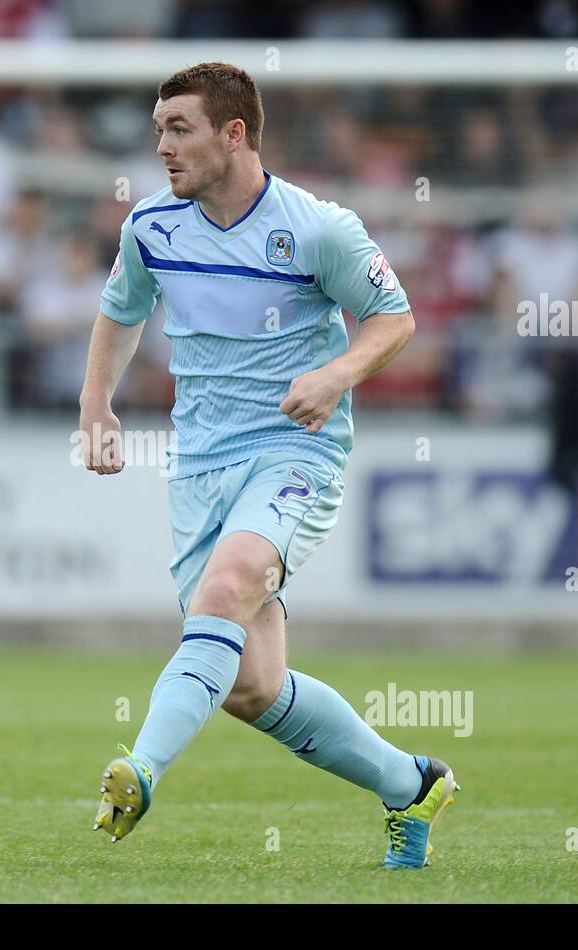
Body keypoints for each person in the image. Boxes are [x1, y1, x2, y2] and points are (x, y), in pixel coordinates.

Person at [79, 62, 458, 869]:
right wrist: (97, 408)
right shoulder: (151, 227)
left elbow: (394, 318)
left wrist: (333, 375)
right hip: (199, 466)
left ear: (234, 134)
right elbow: (120, 313)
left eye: (178, 129)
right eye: (157, 131)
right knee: (250, 687)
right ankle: (410, 782)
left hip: (295, 452)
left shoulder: (319, 228)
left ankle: (140, 768)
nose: (162, 148)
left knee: (226, 587)